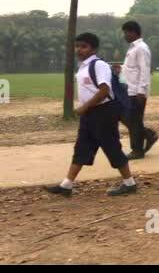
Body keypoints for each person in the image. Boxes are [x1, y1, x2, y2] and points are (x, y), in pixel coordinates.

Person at [45, 33, 136, 197]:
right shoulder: (83, 67)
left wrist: (84, 107)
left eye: (84, 46)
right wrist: (85, 109)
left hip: (104, 112)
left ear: (93, 49)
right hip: (90, 114)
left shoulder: (98, 65)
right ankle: (67, 185)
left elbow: (104, 91)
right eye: (77, 46)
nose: (79, 50)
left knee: (112, 147)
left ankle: (129, 183)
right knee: (82, 147)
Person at [115, 21, 159, 160]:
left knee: (134, 121)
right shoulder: (133, 48)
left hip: (136, 92)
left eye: (127, 32)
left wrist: (142, 91)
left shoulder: (141, 48)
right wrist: (120, 69)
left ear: (134, 32)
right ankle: (147, 134)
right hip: (129, 90)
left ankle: (137, 150)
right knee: (129, 119)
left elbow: (145, 70)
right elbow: (132, 69)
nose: (125, 35)